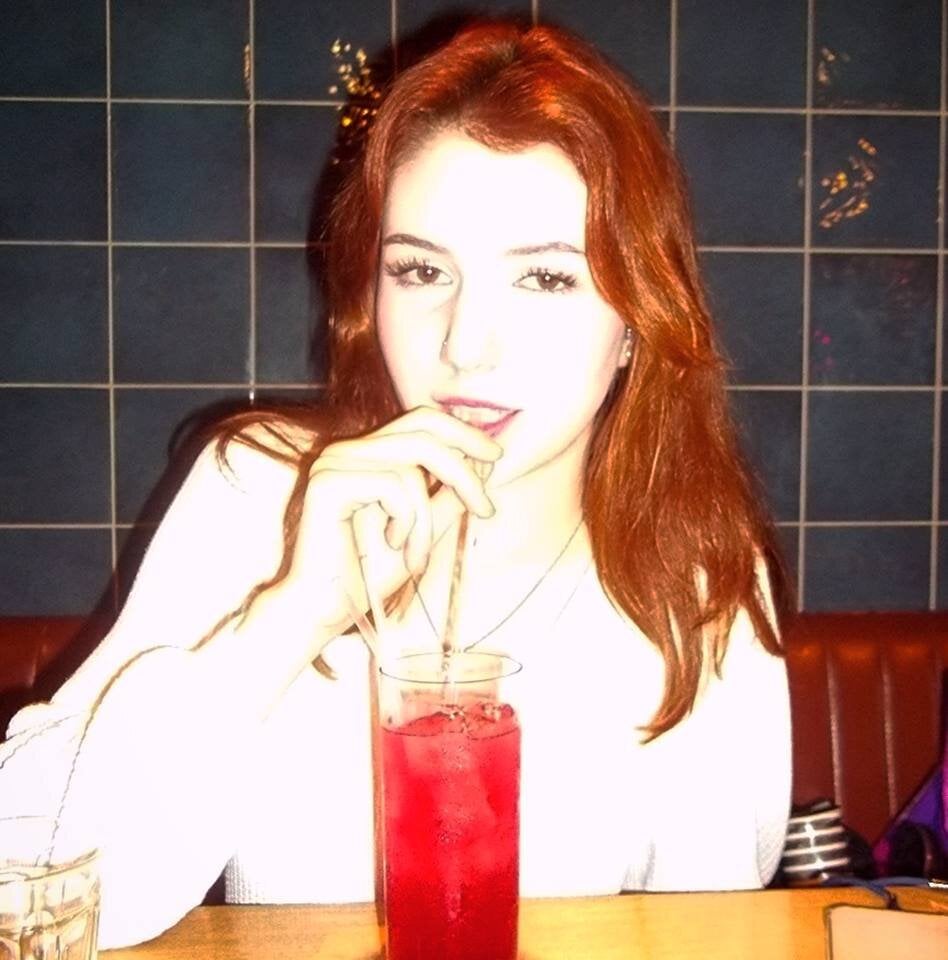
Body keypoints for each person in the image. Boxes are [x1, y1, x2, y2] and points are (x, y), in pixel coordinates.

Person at [0, 20, 791, 948]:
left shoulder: (696, 575)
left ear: (636, 323)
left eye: (544, 278)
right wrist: (291, 615)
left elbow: (713, 931)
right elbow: (27, 875)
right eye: (420, 270)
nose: (465, 344)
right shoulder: (260, 492)